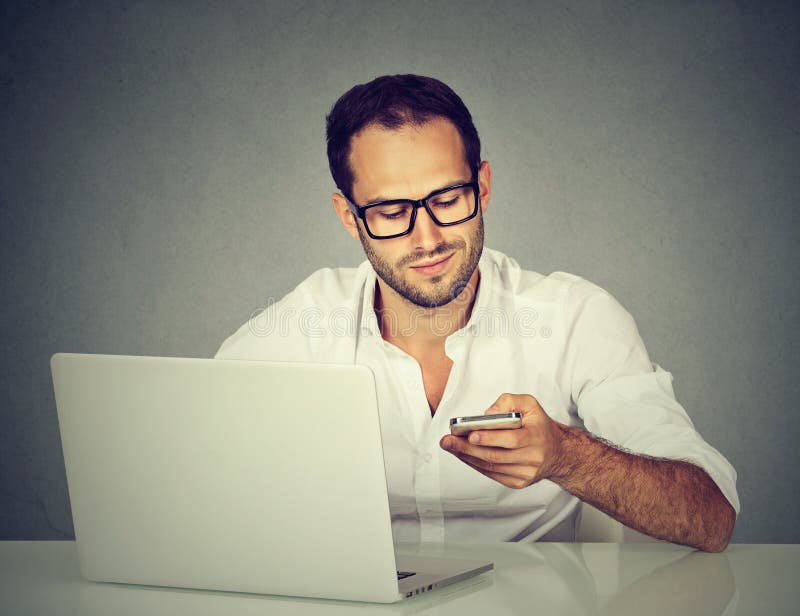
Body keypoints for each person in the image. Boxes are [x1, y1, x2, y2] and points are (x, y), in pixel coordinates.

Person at [216, 74, 739, 552]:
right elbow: (185, 478)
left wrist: (566, 456)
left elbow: (711, 518)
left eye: (447, 198)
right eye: (392, 212)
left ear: (482, 186)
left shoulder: (576, 317)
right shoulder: (295, 329)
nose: (428, 239)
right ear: (350, 219)